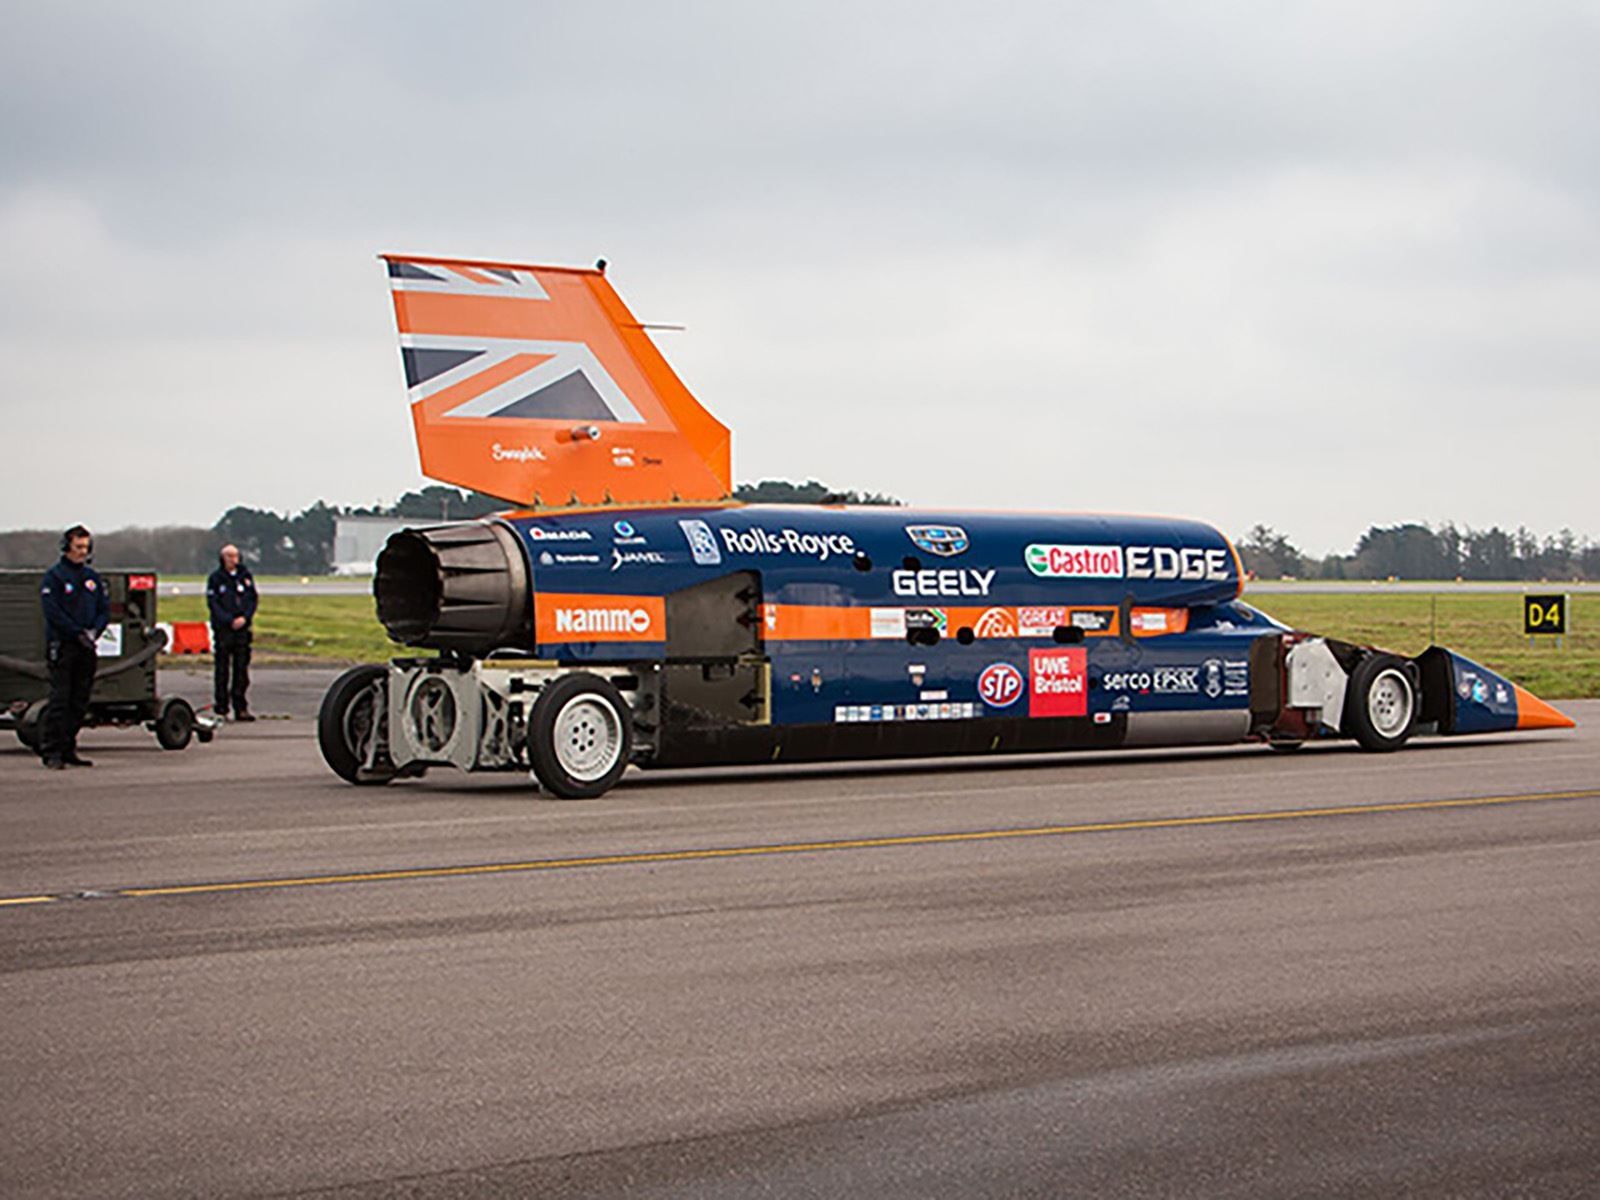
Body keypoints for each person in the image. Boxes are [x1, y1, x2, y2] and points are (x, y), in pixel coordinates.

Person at [38, 525, 109, 769]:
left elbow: (103, 609)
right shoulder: (55, 577)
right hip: (63, 644)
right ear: (67, 547)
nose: (82, 552)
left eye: (86, 548)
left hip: (87, 645)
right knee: (60, 700)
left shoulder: (92, 578)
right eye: (78, 547)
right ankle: (52, 751)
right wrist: (75, 632)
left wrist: (93, 632)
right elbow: (52, 612)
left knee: (80, 701)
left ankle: (69, 747)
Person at [207, 544, 258, 721]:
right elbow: (213, 604)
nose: (232, 560)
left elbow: (252, 599)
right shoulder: (216, 578)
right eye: (228, 556)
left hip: (242, 629)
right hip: (223, 630)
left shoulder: (245, 577)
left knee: (241, 670)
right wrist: (229, 620)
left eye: (235, 556)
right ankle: (221, 706)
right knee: (222, 670)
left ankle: (240, 706)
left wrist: (245, 618)